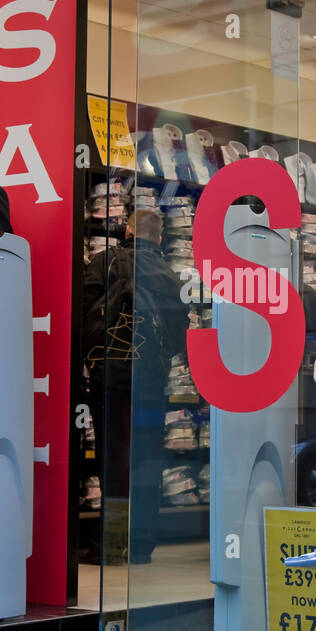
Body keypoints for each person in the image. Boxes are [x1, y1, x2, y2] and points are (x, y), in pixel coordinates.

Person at [83, 206, 189, 564]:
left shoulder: (104, 262)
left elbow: (83, 314)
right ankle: (141, 546)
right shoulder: (167, 274)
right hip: (149, 383)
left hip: (110, 378)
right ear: (159, 238)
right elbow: (179, 335)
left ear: (127, 232)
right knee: (147, 461)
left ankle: (110, 546)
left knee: (113, 462)